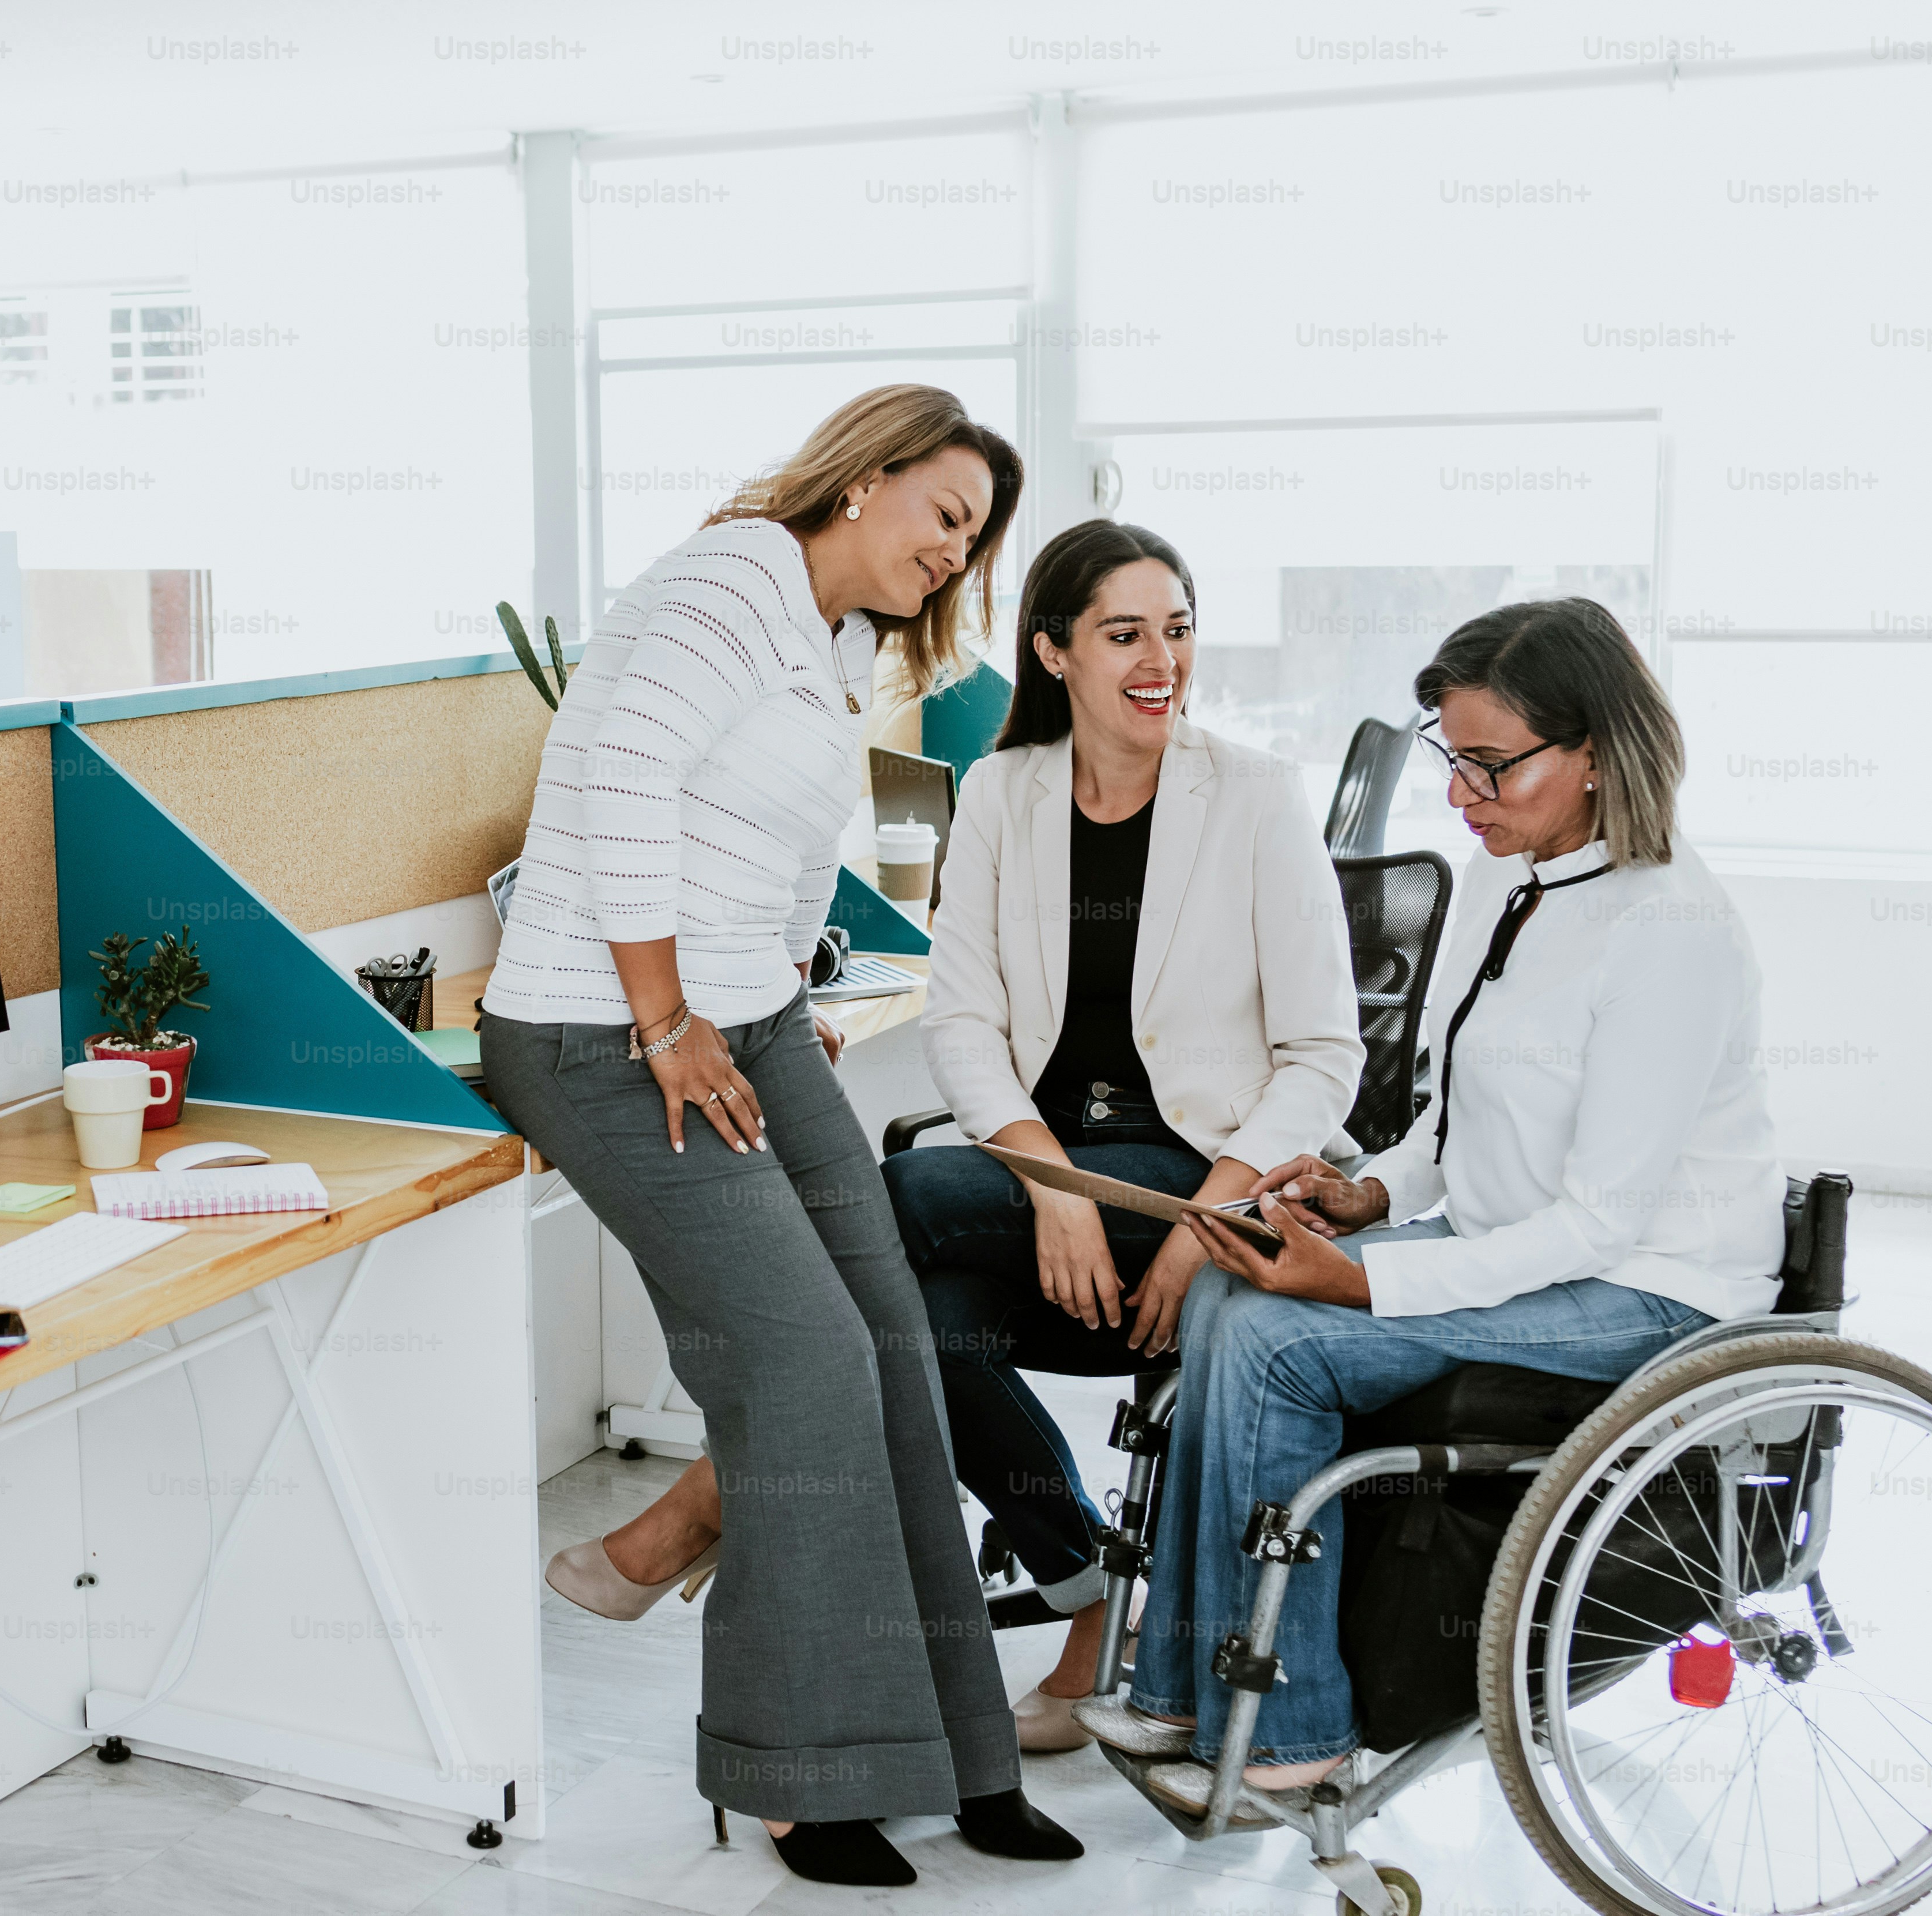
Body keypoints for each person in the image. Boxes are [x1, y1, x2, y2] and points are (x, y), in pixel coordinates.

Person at [476, 385, 1079, 1888]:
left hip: (742, 1020)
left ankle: (958, 1755)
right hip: (600, 1030)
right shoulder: (729, 577)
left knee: (891, 1343)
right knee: (802, 1364)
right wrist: (672, 1016)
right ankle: (798, 1777)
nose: (958, 554)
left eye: (977, 540)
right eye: (947, 516)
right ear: (865, 482)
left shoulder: (832, 634)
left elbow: (776, 833)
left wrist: (785, 988)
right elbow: (617, 783)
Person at [1081, 596, 1786, 1806]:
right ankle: (1188, 1692)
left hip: (1650, 1292)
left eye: (1490, 764)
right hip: (1514, 1247)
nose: (1460, 791)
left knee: (1280, 1338)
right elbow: (1449, 1131)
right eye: (1448, 756)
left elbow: (1597, 1226)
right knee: (1224, 1301)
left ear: (1597, 755)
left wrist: (1361, 1280)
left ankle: (1292, 1733)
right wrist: (1364, 1196)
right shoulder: (1502, 877)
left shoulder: (1670, 926)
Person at [881, 518, 1365, 1752]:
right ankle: (1089, 1587)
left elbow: (1324, 1054)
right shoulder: (1001, 793)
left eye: (1177, 630)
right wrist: (1046, 1189)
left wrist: (1214, 1214)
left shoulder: (1253, 797)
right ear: (1051, 653)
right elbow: (962, 1021)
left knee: (884, 1198)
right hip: (1056, 1194)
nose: (1161, 659)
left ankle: (718, 1498)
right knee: (923, 1321)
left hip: (1191, 1181)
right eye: (1123, 634)